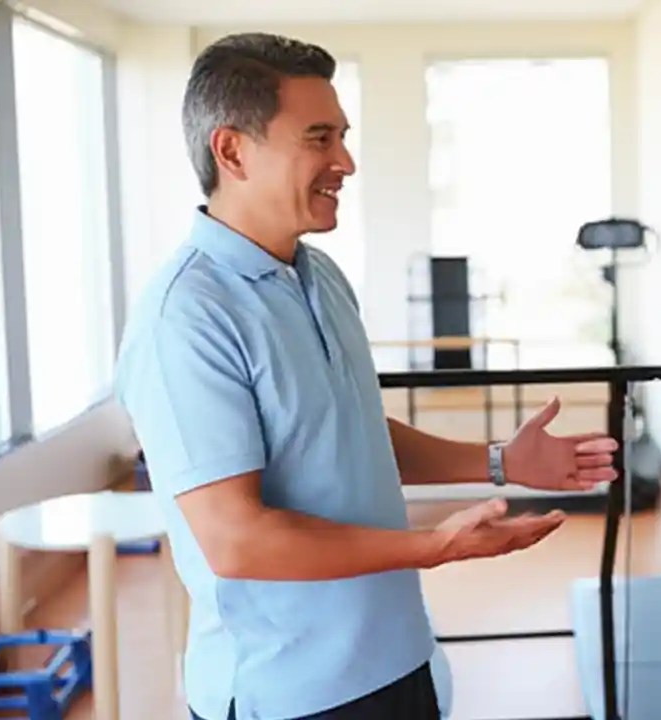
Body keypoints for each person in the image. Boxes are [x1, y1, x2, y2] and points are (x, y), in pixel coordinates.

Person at [113, 32, 620, 720]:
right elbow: (236, 540)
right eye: (319, 138)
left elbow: (344, 431)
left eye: (342, 137)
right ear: (231, 150)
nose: (344, 161)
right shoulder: (186, 316)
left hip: (396, 658)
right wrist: (435, 546)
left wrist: (499, 460)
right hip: (292, 693)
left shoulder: (317, 275)